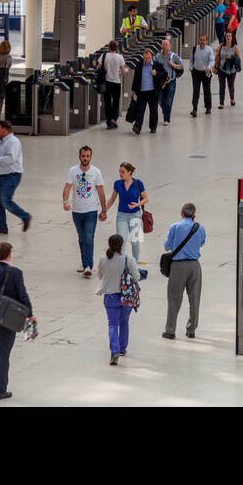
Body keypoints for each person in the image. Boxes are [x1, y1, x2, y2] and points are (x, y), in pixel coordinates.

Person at [0, 241, 35, 400]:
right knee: (4, 353)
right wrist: (30, 314)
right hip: (7, 317)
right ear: (9, 255)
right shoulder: (15, 273)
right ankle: (1, 389)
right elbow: (22, 294)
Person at [162, 203, 205, 340]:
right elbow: (202, 243)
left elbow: (167, 247)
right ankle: (191, 330)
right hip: (194, 265)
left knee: (174, 298)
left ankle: (170, 330)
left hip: (178, 266)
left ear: (181, 213)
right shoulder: (200, 228)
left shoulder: (174, 227)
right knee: (194, 298)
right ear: (194, 216)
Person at [63, 145, 109, 276]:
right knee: (81, 238)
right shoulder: (73, 171)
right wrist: (65, 202)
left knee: (89, 237)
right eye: (83, 156)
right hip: (77, 211)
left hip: (91, 211)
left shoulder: (96, 172)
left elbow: (100, 191)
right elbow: (67, 187)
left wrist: (104, 210)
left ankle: (88, 265)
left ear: (91, 157)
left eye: (88, 156)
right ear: (79, 157)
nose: (85, 158)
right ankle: (84, 263)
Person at [0, 119, 31, 235]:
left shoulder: (13, 142)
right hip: (0, 176)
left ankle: (25, 217)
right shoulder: (1, 142)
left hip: (11, 176)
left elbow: (11, 158)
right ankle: (1, 227)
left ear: (5, 131)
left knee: (5, 201)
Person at [97, 234, 138, 365]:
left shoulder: (103, 259)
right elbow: (136, 276)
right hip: (126, 297)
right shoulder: (128, 259)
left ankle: (114, 350)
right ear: (122, 245)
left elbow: (100, 275)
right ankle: (122, 348)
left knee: (112, 324)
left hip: (110, 297)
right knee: (124, 322)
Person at [111, 162, 150, 280]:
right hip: (121, 215)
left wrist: (137, 204)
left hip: (135, 215)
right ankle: (121, 267)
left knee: (135, 241)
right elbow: (112, 199)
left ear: (129, 172)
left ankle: (135, 265)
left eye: (122, 172)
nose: (120, 174)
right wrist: (104, 210)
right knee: (121, 242)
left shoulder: (138, 183)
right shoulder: (117, 184)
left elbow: (146, 198)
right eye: (119, 171)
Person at [153, 38, 185, 124]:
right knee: (160, 99)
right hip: (161, 82)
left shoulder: (174, 56)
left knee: (169, 100)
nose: (164, 46)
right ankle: (166, 112)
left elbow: (181, 66)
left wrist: (173, 64)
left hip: (171, 81)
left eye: (166, 44)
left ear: (169, 46)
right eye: (163, 44)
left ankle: (166, 119)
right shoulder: (158, 57)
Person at [130, 47, 162, 134]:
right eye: (145, 58)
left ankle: (153, 127)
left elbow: (164, 74)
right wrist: (133, 91)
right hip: (142, 92)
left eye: (148, 58)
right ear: (143, 57)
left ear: (151, 56)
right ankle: (138, 127)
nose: (147, 59)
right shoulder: (139, 65)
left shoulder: (156, 65)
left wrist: (157, 73)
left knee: (153, 110)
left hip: (153, 92)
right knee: (140, 110)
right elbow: (136, 78)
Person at [101, 41, 128, 129]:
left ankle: (108, 123)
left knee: (107, 102)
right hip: (116, 82)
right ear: (116, 48)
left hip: (107, 82)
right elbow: (123, 72)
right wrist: (118, 74)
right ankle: (114, 119)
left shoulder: (104, 56)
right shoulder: (120, 57)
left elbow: (98, 67)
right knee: (116, 102)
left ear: (109, 47)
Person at [189, 33, 215, 117]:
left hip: (206, 72)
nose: (202, 41)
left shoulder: (209, 50)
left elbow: (212, 61)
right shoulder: (195, 49)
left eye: (203, 40)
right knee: (195, 91)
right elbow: (191, 59)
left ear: (206, 41)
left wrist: (209, 67)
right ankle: (195, 108)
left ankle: (208, 107)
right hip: (196, 72)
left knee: (207, 90)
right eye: (201, 40)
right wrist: (191, 68)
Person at [214, 31, 241, 109]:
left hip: (231, 70)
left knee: (230, 85)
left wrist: (232, 57)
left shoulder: (235, 47)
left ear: (232, 38)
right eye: (227, 36)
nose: (228, 37)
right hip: (221, 69)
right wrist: (216, 64)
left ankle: (232, 99)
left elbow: (239, 59)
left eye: (230, 36)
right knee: (222, 86)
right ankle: (221, 103)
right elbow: (217, 56)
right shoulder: (221, 46)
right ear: (225, 38)